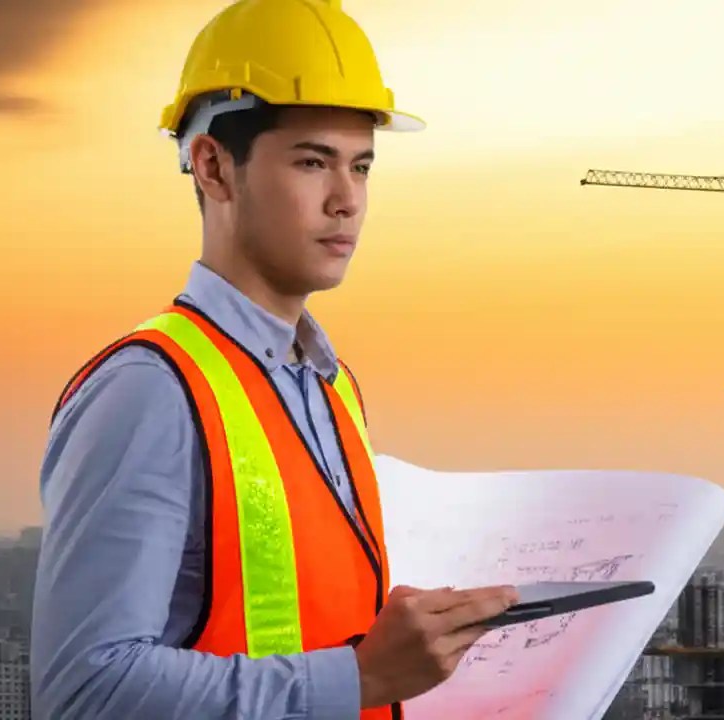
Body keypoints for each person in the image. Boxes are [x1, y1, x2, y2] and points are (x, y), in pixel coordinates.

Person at [29, 1, 519, 717]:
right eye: (313, 161)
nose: (347, 200)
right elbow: (85, 692)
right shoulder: (151, 390)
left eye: (361, 166)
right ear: (213, 166)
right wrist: (362, 677)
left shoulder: (330, 385)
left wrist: (399, 645)